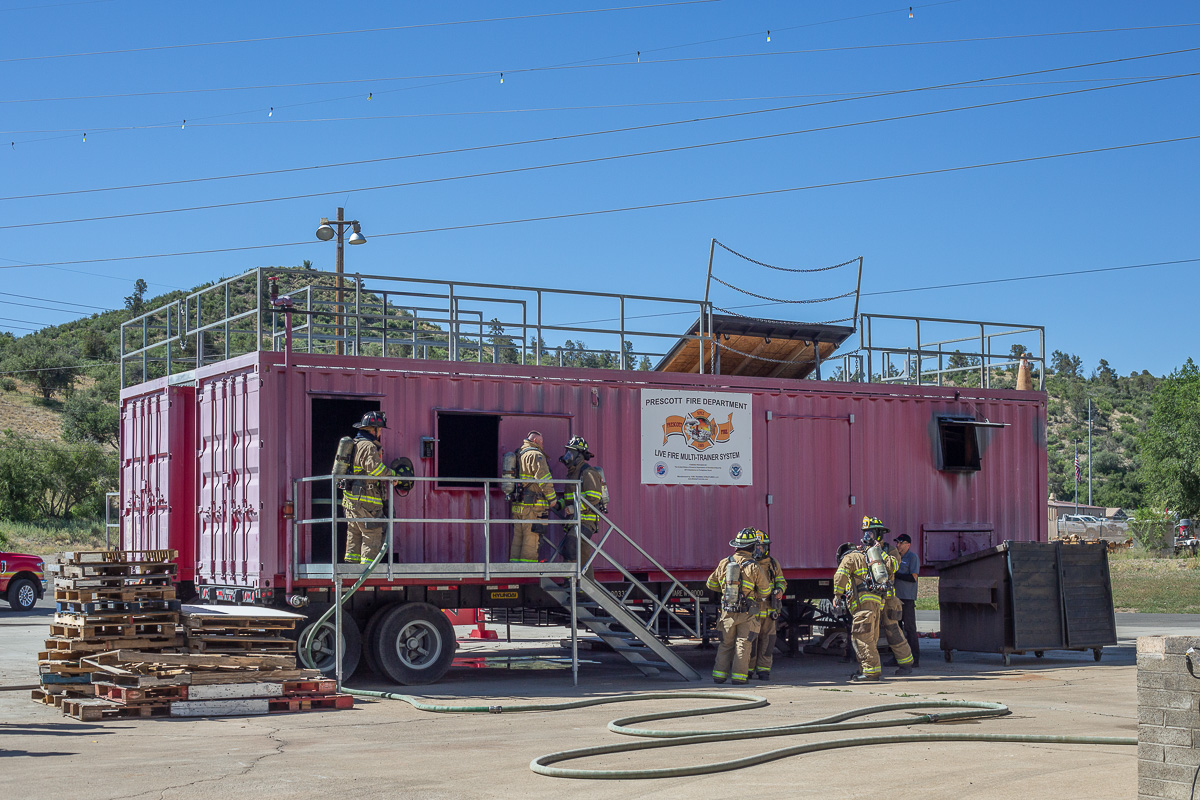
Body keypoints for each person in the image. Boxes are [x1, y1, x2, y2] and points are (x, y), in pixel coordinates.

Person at [833, 516, 914, 681]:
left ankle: (905, 663)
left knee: (890, 630)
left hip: (888, 599)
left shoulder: (889, 551)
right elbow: (842, 575)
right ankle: (871, 668)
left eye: (872, 533)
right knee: (871, 634)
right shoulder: (858, 554)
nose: (869, 536)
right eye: (867, 533)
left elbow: (894, 567)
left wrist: (879, 553)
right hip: (875, 599)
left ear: (879, 534)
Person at [706, 528, 772, 685]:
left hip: (727, 612)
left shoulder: (724, 562)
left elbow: (710, 583)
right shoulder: (754, 566)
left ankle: (719, 676)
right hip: (746, 613)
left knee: (725, 644)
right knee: (743, 644)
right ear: (751, 547)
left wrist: (725, 590)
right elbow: (766, 590)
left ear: (736, 546)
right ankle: (739, 678)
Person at [341, 410, 399, 565]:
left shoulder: (354, 444)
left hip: (350, 500)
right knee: (372, 532)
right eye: (380, 430)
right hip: (366, 500)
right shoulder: (368, 446)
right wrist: (392, 475)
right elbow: (375, 470)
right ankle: (368, 572)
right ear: (373, 429)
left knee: (354, 532)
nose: (380, 433)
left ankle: (351, 570)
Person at [510, 431, 561, 563]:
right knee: (531, 537)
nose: (543, 445)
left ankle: (514, 566)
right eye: (541, 442)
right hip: (533, 506)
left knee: (518, 537)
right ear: (535, 441)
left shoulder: (519, 453)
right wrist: (552, 499)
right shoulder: (536, 455)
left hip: (518, 505)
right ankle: (527, 571)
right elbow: (544, 479)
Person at [559, 435, 604, 579]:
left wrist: (573, 509)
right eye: (567, 452)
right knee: (582, 555)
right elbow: (568, 499)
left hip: (586, 521)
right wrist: (557, 504)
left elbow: (594, 497)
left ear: (579, 455)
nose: (568, 456)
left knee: (570, 545)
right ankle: (581, 587)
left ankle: (575, 583)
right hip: (575, 521)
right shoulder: (572, 474)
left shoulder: (588, 472)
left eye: (571, 452)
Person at [747, 531, 786, 681]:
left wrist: (780, 589)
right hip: (753, 611)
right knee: (751, 642)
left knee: (768, 643)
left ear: (766, 548)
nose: (758, 550)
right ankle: (748, 669)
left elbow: (781, 581)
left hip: (770, 610)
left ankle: (764, 671)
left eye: (761, 547)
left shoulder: (773, 564)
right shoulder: (749, 564)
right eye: (756, 547)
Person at [893, 533, 921, 667]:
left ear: (908, 545)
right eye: (897, 542)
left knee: (910, 629)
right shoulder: (896, 558)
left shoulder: (912, 557)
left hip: (907, 599)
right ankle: (897, 657)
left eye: (900, 543)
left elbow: (913, 577)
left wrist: (897, 574)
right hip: (896, 598)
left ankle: (915, 658)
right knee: (896, 629)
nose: (897, 545)